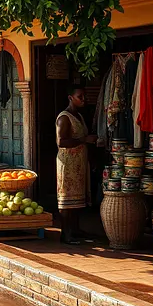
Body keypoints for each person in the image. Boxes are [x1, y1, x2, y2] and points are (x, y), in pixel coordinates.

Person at [56, 86, 97, 245]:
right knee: (67, 199)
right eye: (80, 97)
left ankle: (75, 229)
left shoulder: (78, 115)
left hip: (79, 163)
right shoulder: (64, 118)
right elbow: (61, 142)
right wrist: (84, 140)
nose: (83, 99)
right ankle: (65, 233)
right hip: (67, 163)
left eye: (84, 96)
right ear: (70, 98)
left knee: (77, 198)